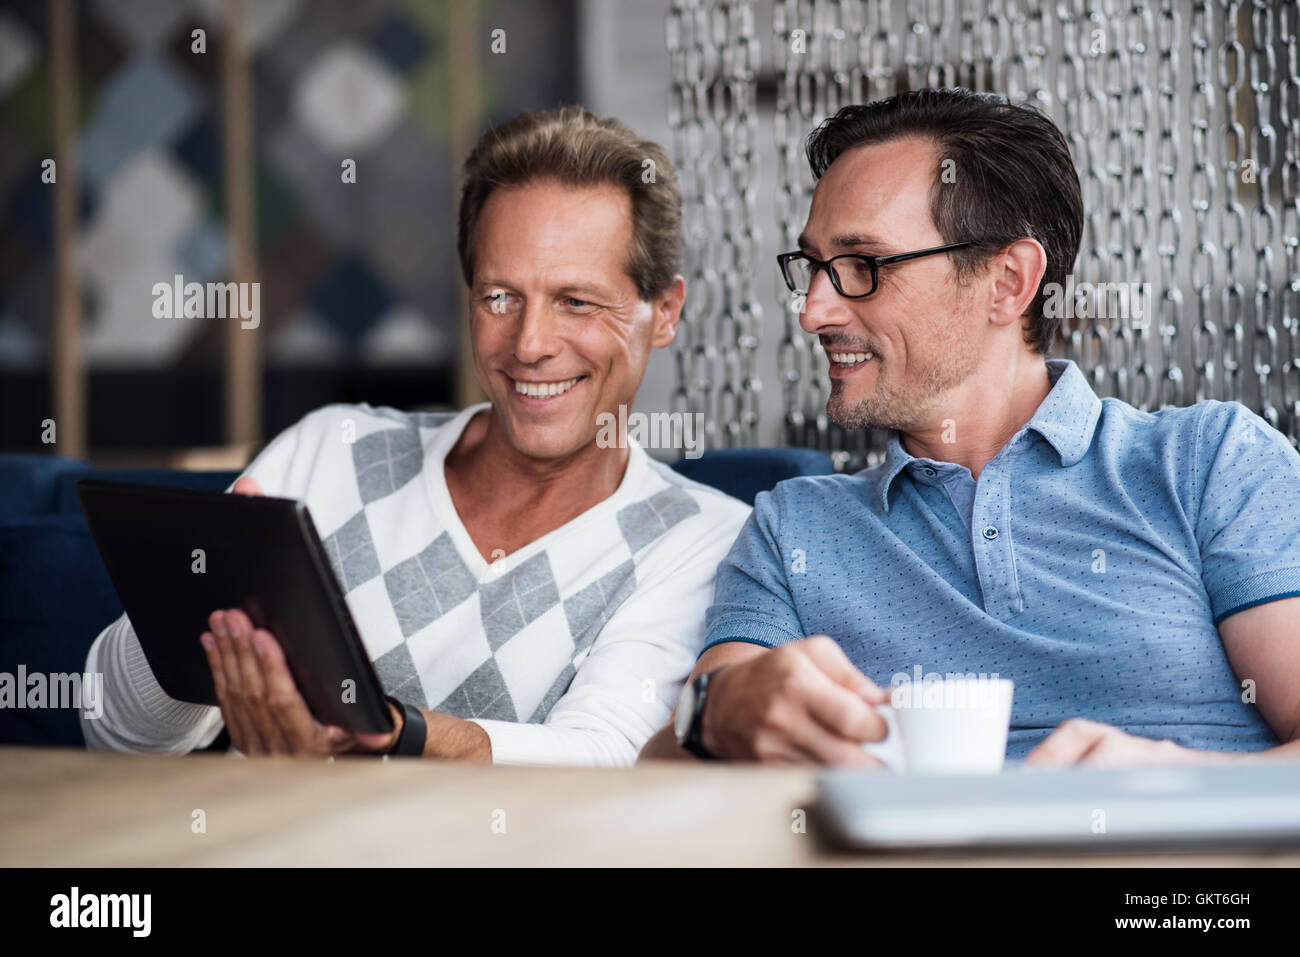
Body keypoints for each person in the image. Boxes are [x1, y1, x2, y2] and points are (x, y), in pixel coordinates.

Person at [641, 88, 1300, 766]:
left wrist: (1174, 782)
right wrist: (715, 713)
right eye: (813, 267)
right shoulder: (795, 527)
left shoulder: (1210, 463)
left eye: (863, 266)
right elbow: (664, 773)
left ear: (1008, 281)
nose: (814, 312)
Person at [83, 107, 750, 765]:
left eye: (576, 300)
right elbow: (111, 734)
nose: (531, 343)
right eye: (500, 297)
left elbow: (606, 757)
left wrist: (390, 735)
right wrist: (188, 612)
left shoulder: (704, 539)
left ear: (664, 313)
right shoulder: (333, 450)